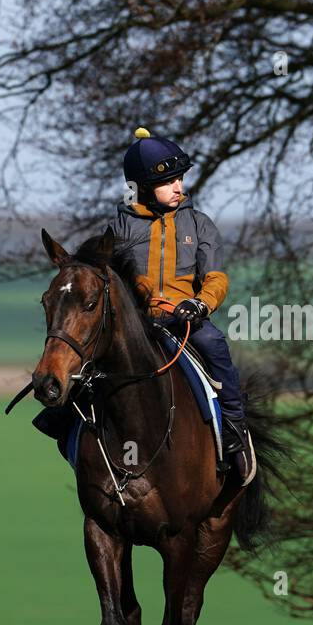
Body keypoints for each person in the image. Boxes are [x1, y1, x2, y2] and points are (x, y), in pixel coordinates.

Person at [34, 127, 250, 463]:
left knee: (215, 346)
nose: (177, 187)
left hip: (186, 322)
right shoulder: (119, 229)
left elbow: (216, 278)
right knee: (91, 364)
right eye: (167, 182)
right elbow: (97, 275)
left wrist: (199, 304)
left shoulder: (200, 224)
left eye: (180, 179)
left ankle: (234, 426)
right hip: (139, 324)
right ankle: (63, 420)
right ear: (143, 188)